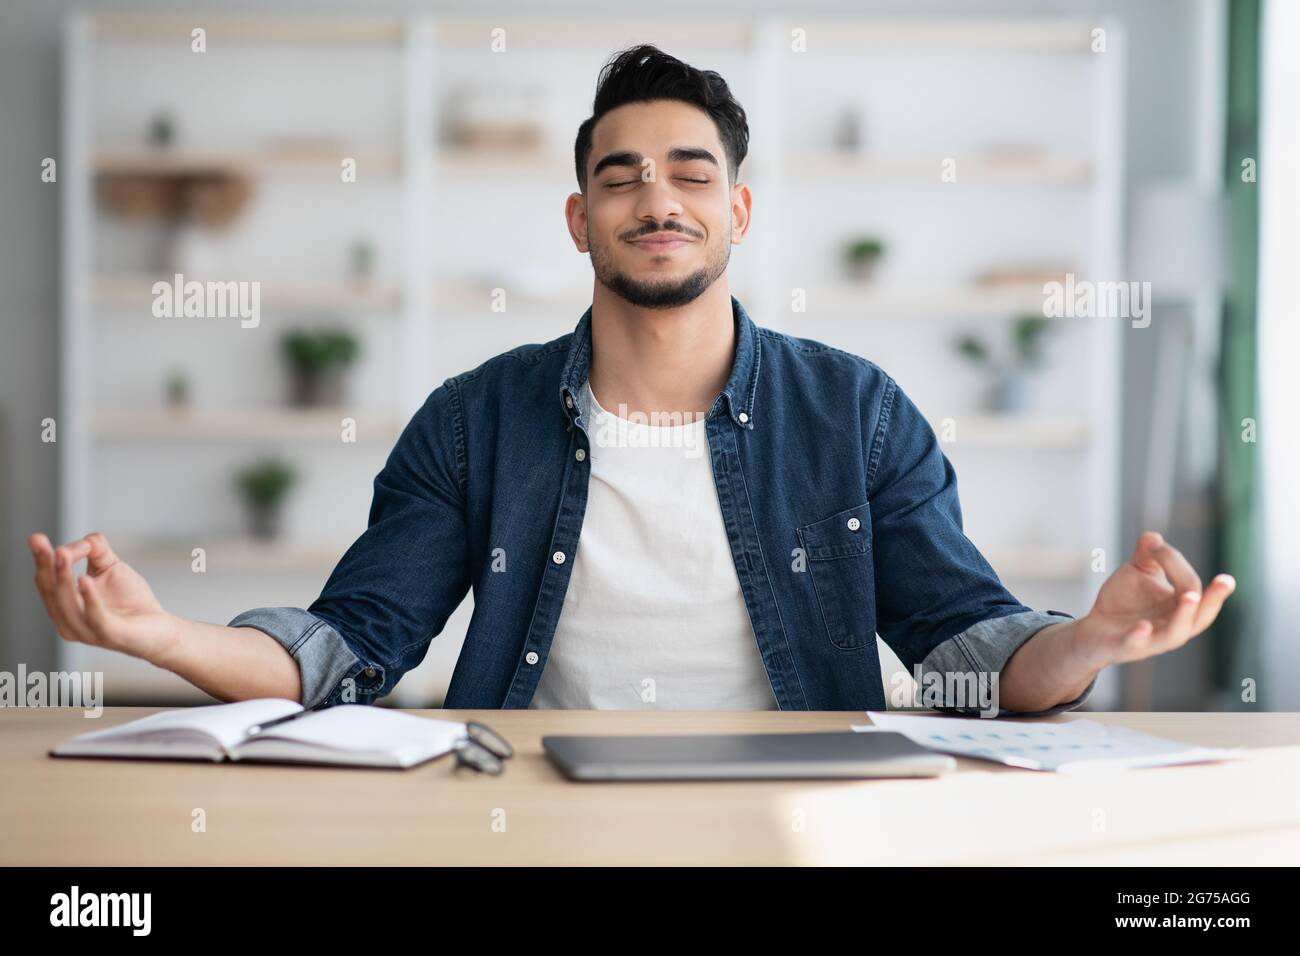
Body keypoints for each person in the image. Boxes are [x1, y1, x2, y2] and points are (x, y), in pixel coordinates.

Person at [30, 46, 1234, 715]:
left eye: (691, 173)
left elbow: (967, 658)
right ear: (579, 218)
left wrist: (1086, 641)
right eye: (622, 175)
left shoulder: (857, 414)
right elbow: (354, 647)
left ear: (737, 210)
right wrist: (159, 633)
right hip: (533, 807)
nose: (657, 197)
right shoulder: (474, 420)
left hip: (791, 816)